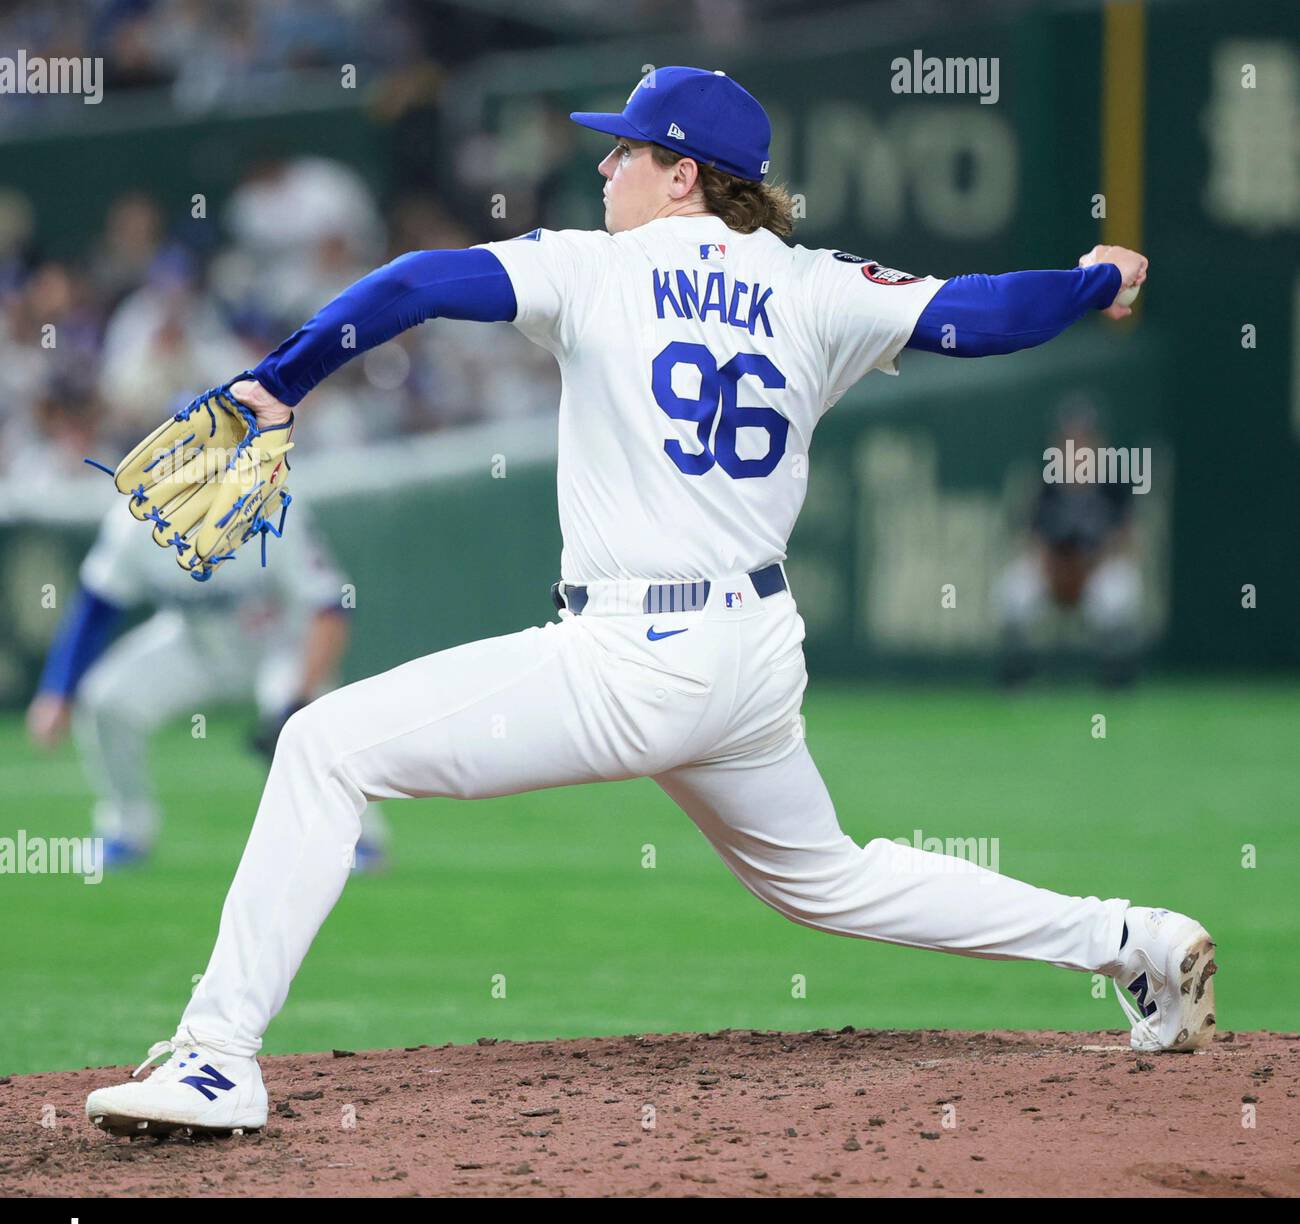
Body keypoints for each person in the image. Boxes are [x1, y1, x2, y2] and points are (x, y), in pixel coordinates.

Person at [86, 66, 1214, 1139]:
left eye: (625, 149)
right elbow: (993, 314)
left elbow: (414, 283)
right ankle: (1129, 940)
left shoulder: (594, 268)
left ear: (684, 173)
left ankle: (217, 1053)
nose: (606, 166)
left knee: (325, 745)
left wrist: (277, 380)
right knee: (832, 880)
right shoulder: (815, 284)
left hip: (636, 653)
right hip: (756, 654)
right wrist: (1094, 279)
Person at [28, 499, 387, 870]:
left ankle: (355, 838)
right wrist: (58, 690)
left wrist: (298, 698)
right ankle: (126, 829)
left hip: (280, 645)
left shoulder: (272, 509)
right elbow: (98, 603)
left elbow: (329, 609)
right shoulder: (135, 520)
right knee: (109, 700)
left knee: (307, 720)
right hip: (194, 644)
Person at [997, 398, 1144, 686]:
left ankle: (1116, 678)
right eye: (1070, 439)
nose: (1077, 446)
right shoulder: (1047, 483)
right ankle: (1017, 679)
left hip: (1095, 571)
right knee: (1012, 590)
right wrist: (1053, 572)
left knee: (1119, 592)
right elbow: (1033, 539)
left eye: (1084, 439)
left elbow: (1126, 539)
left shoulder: (1113, 484)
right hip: (1053, 574)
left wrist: (1087, 569)